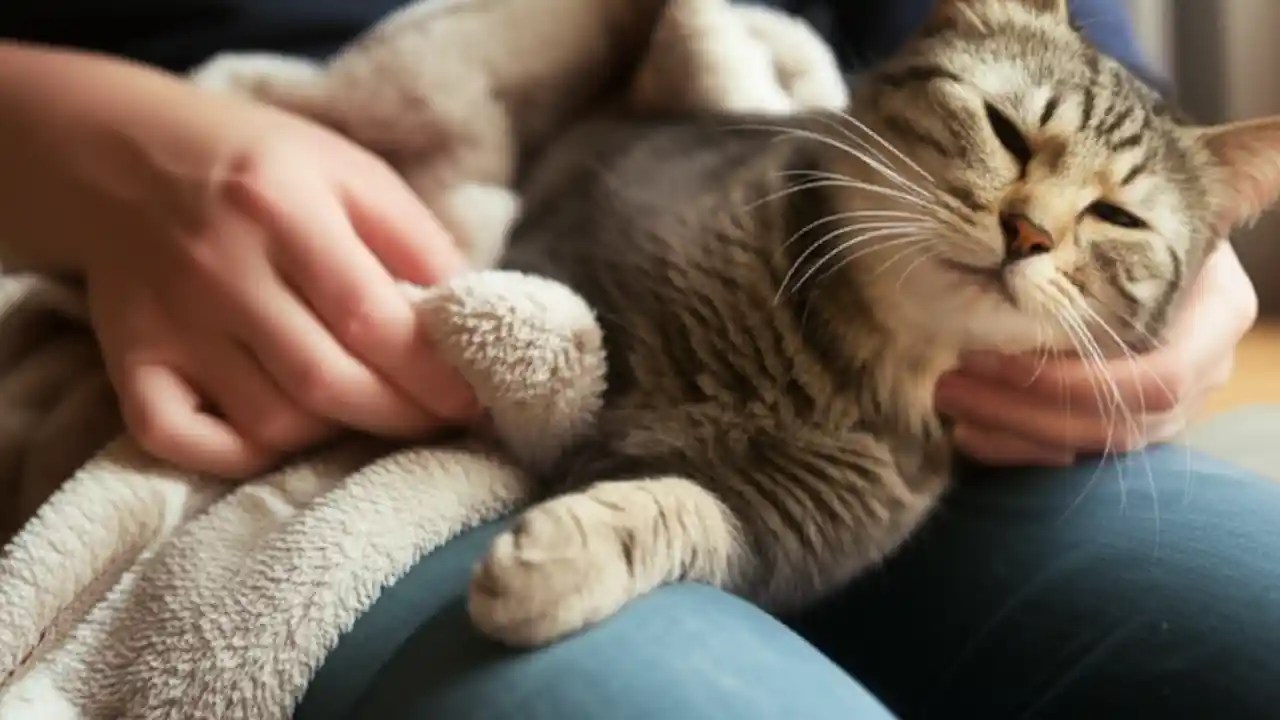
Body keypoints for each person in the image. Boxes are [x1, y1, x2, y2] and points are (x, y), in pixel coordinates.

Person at [1, 1, 1277, 717]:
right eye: (1019, 157)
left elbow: (1069, 62)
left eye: (1097, 218)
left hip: (954, 389)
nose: (1033, 225)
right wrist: (94, 153)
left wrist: (1171, 238)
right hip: (228, 262)